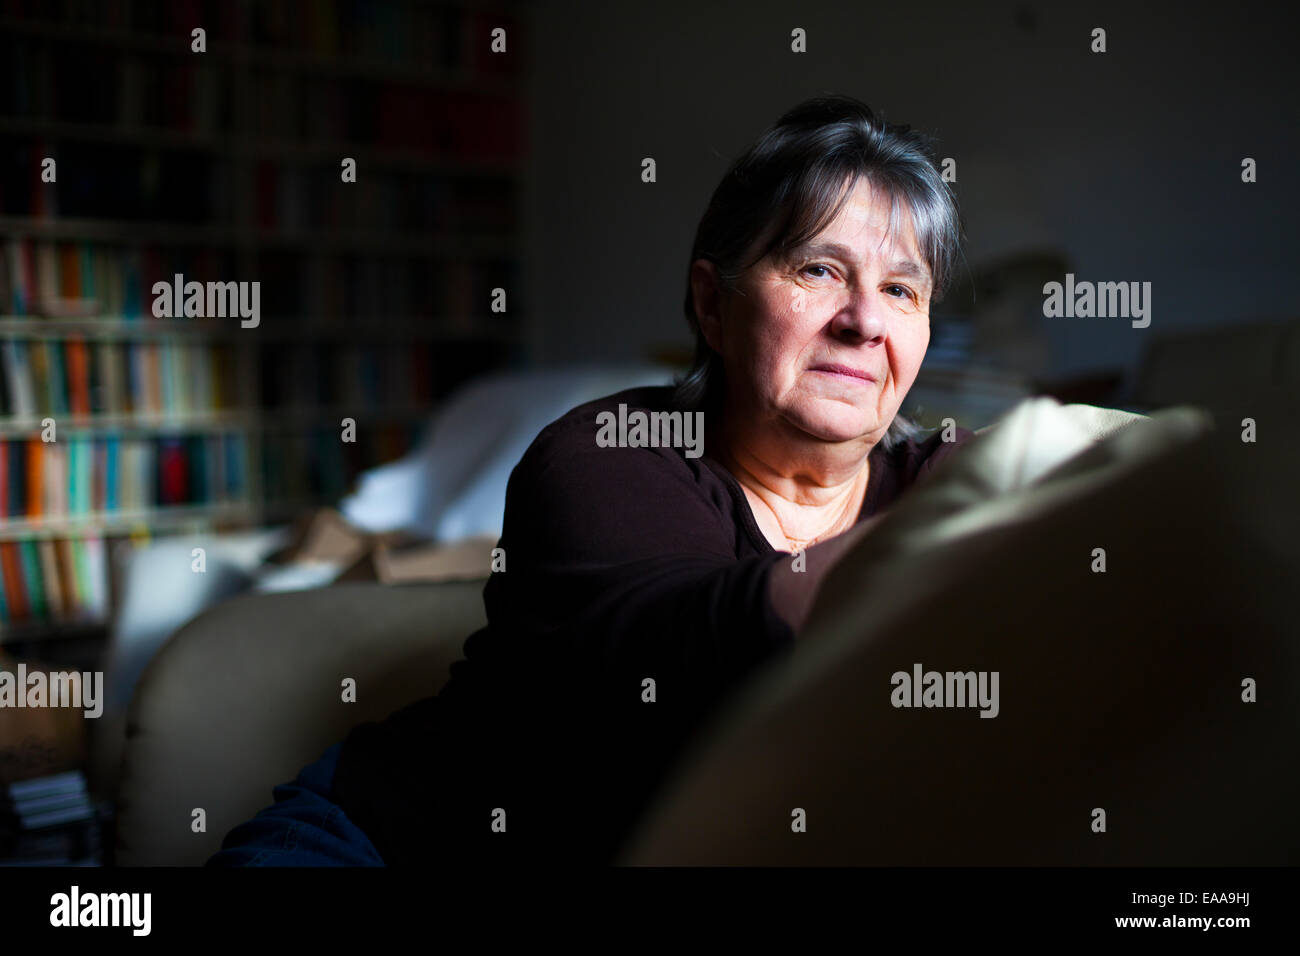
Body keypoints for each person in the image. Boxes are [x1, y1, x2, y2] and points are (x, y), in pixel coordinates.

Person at [207, 93, 976, 867]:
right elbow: (692, 657)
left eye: (902, 291)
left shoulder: (945, 475)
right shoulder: (608, 458)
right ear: (713, 303)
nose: (865, 320)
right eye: (818, 268)